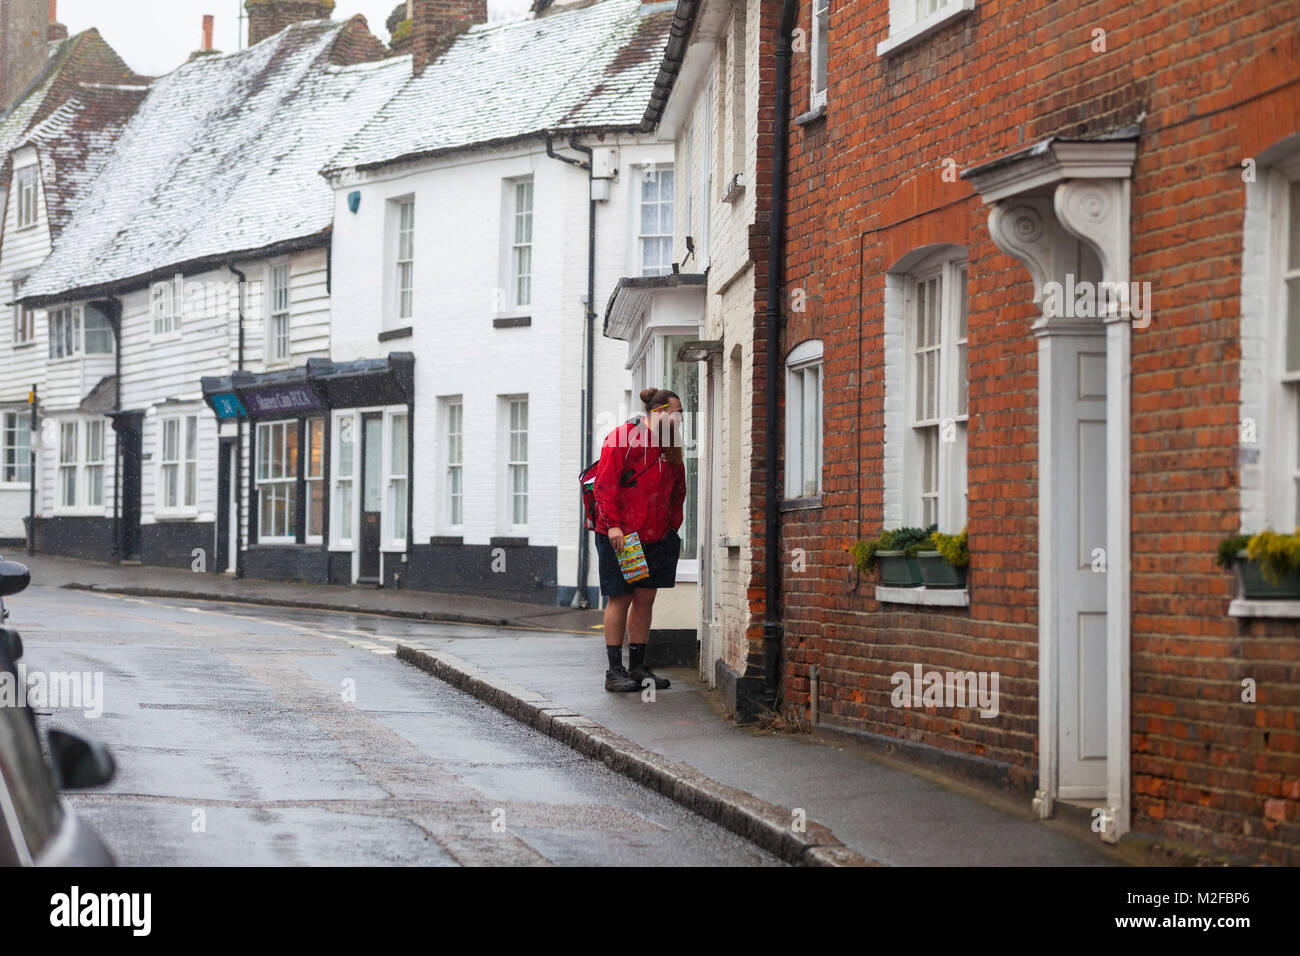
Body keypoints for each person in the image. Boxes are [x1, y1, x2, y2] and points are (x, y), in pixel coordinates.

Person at [592, 387, 687, 692]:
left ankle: (637, 668)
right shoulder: (622, 438)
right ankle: (614, 671)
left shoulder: (671, 447)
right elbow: (604, 487)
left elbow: (678, 492)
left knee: (645, 598)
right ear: (658, 413)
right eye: (677, 414)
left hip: (656, 536)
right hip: (623, 536)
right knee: (620, 597)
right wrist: (615, 527)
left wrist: (672, 527)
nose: (680, 420)